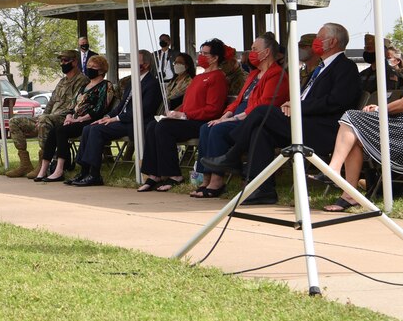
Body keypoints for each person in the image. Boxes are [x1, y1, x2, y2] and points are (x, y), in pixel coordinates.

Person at [201, 23, 362, 205]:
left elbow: (337, 102)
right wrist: (292, 104)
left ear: (332, 42)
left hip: (323, 128)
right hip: (303, 121)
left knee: (262, 111)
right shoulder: (321, 67)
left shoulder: (345, 66)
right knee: (261, 132)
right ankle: (263, 190)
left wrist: (299, 106)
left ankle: (233, 154)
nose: (315, 42)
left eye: (319, 38)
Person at [323, 19, 403, 211]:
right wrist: (380, 108)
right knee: (355, 132)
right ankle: (348, 194)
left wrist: (379, 109)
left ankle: (333, 170)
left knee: (351, 117)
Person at [191, 33, 290, 199]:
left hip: (250, 119)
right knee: (206, 127)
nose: (250, 52)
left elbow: (263, 106)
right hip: (238, 115)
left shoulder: (276, 75)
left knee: (217, 130)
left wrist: (231, 119)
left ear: (266, 52)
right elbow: (238, 100)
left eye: (254, 49)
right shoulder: (253, 74)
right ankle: (204, 178)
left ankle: (217, 181)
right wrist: (226, 115)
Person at [136, 39, 229, 192]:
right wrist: (174, 113)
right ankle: (154, 174)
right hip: (188, 119)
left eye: (205, 54)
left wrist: (185, 115)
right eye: (200, 53)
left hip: (202, 122)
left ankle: (174, 175)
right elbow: (188, 102)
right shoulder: (199, 77)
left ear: (215, 57)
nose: (201, 56)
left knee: (164, 128)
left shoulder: (218, 77)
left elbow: (213, 109)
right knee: (153, 125)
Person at [66, 50, 162, 186]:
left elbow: (143, 110)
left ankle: (95, 174)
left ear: (145, 65)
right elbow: (121, 106)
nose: (133, 64)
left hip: (135, 123)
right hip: (123, 120)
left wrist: (116, 119)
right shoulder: (132, 82)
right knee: (89, 127)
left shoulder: (152, 84)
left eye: (137, 62)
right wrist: (107, 117)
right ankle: (84, 171)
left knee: (96, 131)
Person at [5, 50, 88, 178]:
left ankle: (43, 163)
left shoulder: (82, 80)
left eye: (65, 60)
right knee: (14, 121)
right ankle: (25, 163)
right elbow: (51, 102)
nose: (62, 63)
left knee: (45, 120)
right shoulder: (62, 81)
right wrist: (43, 115)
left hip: (65, 119)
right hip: (49, 117)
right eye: (61, 61)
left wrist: (45, 118)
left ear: (75, 61)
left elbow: (76, 105)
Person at [34, 54, 113, 182]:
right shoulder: (84, 86)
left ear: (102, 70)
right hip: (75, 120)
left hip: (90, 120)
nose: (89, 68)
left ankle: (59, 169)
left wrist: (78, 119)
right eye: (88, 66)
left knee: (62, 131)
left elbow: (100, 109)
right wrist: (69, 116)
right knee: (55, 130)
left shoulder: (105, 86)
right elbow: (72, 105)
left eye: (93, 66)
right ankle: (43, 169)